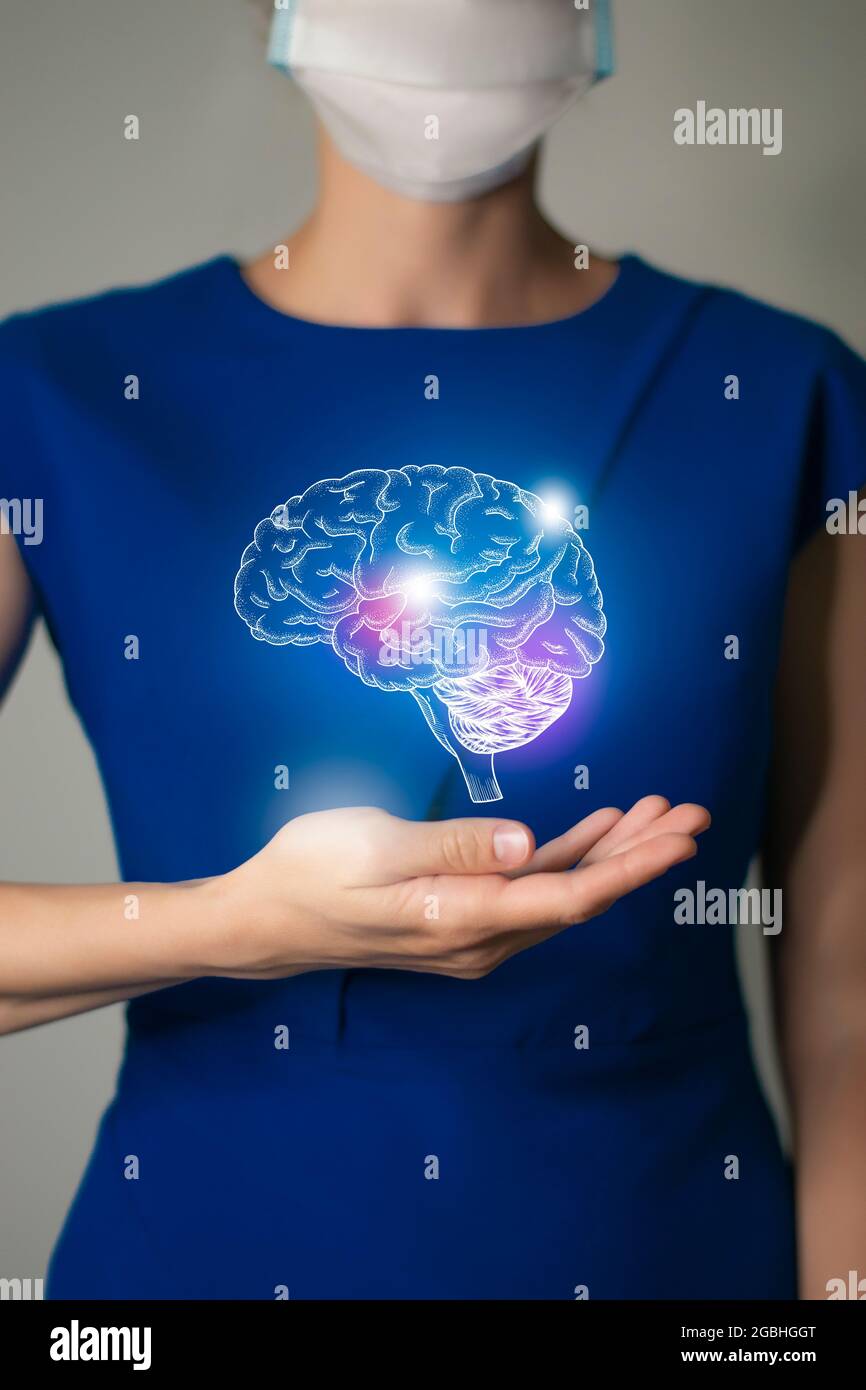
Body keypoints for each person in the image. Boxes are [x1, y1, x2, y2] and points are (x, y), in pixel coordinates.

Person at [0, 0, 863, 1300]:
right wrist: (230, 924)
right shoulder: (49, 390)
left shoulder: (784, 390)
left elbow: (847, 973)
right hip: (205, 1263)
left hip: (669, 1257)